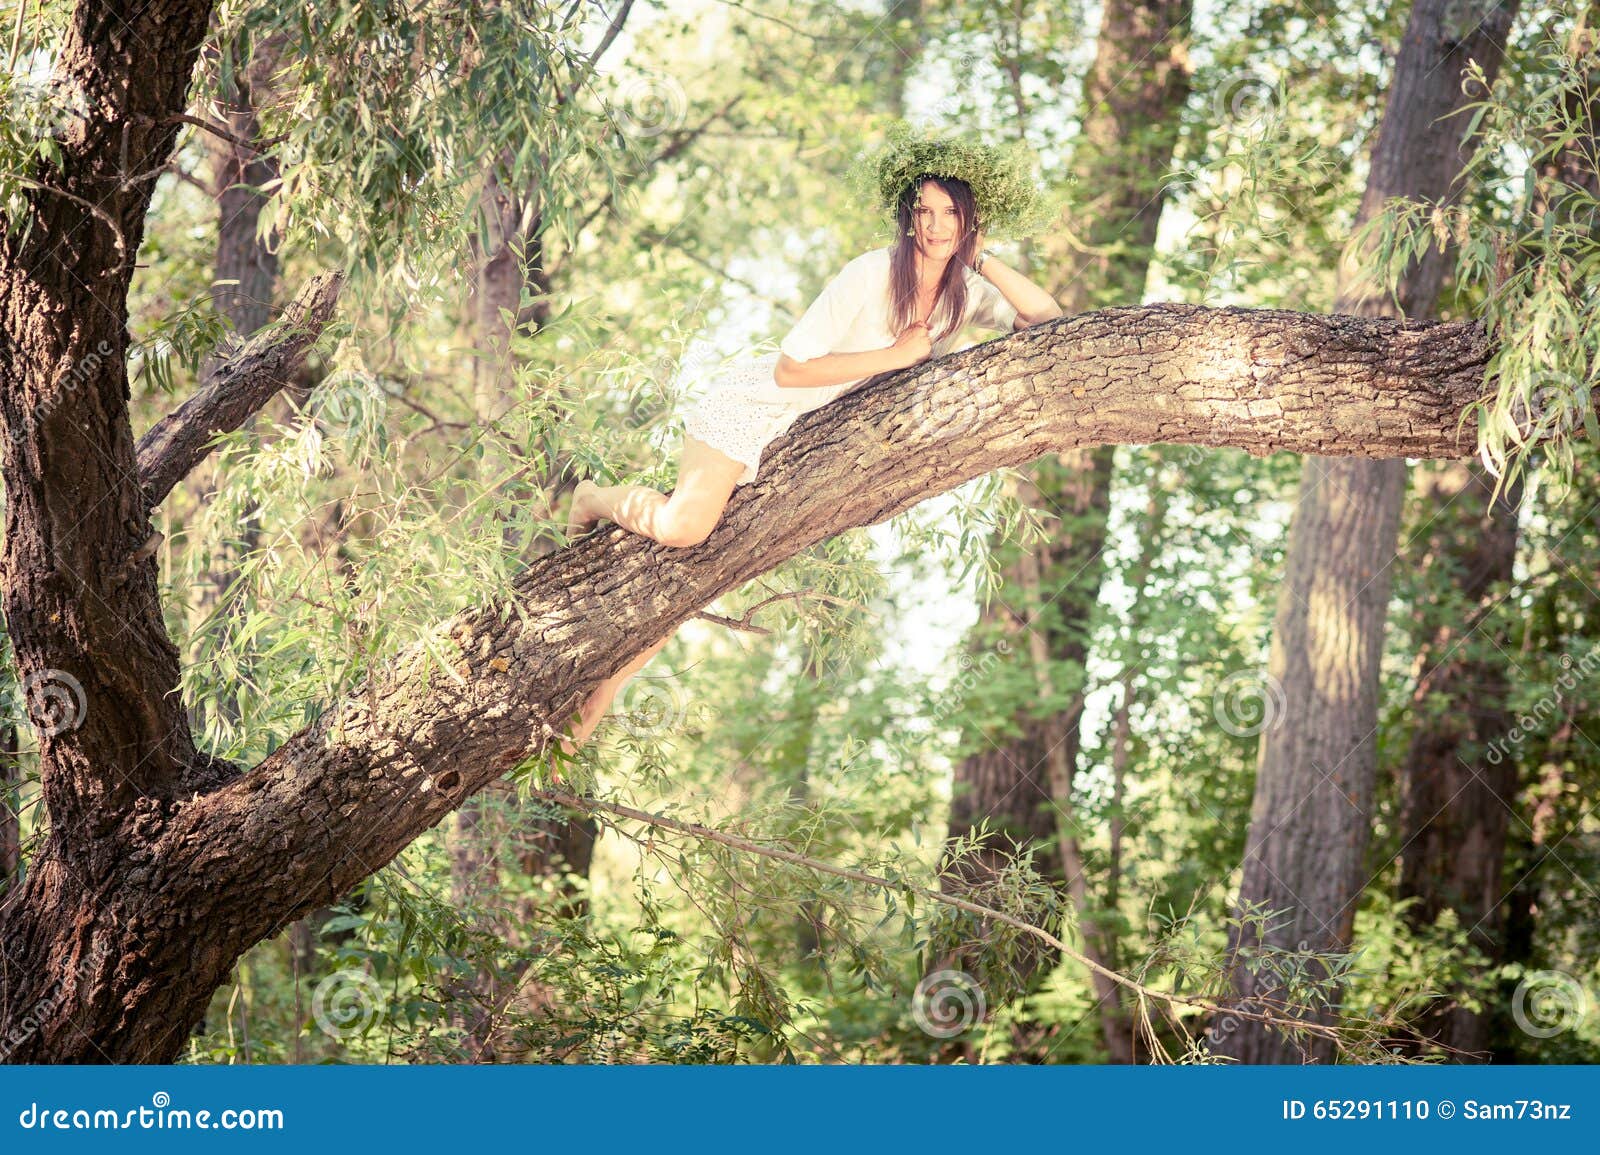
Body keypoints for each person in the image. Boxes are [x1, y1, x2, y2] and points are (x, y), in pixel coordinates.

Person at [558, 132, 1062, 756]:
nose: (935, 226)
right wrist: (894, 355)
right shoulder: (870, 272)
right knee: (685, 530)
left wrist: (981, 258)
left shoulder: (966, 294)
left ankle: (604, 692)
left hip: (803, 439)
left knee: (700, 572)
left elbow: (1047, 318)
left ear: (969, 220)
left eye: (951, 213)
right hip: (755, 409)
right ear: (907, 219)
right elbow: (788, 371)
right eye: (924, 212)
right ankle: (592, 496)